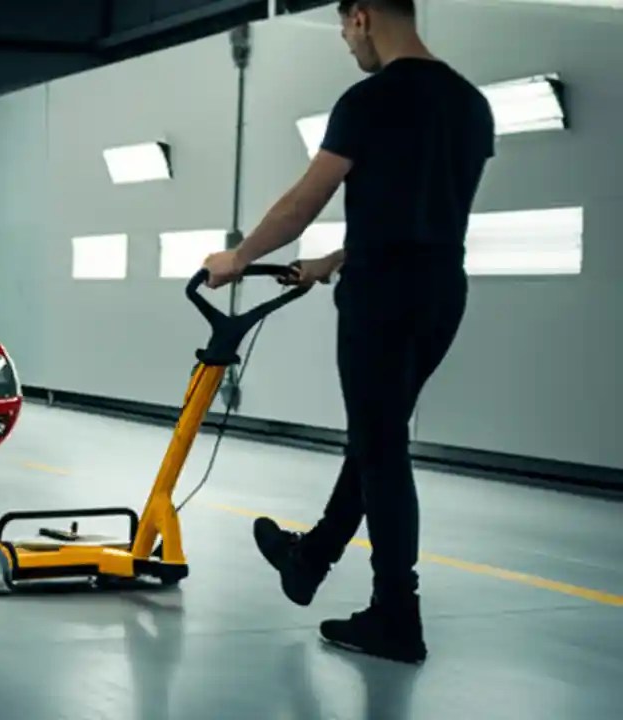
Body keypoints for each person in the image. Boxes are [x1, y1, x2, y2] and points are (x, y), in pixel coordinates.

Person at [202, 0, 495, 664]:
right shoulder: (471, 104)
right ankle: (310, 559)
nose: (344, 42)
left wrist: (238, 257)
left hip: (382, 299)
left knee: (382, 448)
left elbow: (304, 201)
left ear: (362, 16)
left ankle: (396, 614)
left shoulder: (369, 99)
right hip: (441, 294)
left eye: (342, 27)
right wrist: (330, 263)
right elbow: (422, 216)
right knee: (377, 434)